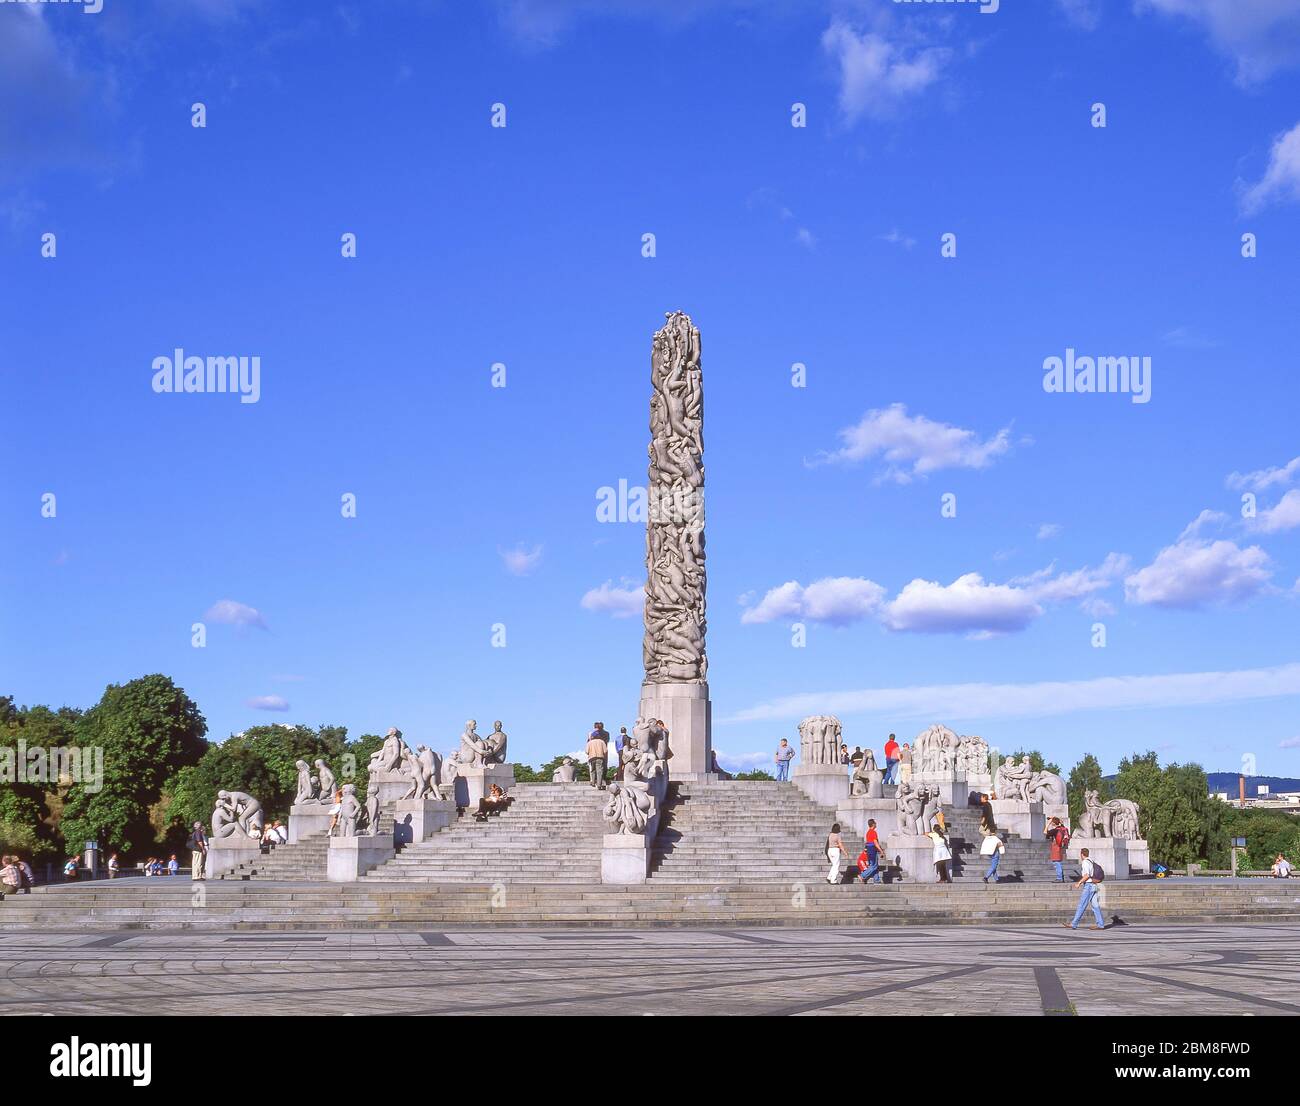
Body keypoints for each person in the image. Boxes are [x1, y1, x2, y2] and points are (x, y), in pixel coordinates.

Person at [1064, 847, 1106, 930]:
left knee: (1082, 905)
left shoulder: (1085, 862)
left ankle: (1074, 923)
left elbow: (1087, 875)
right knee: (1095, 905)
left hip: (1089, 886)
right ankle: (1100, 924)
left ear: (1081, 854)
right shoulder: (1091, 861)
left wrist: (1079, 883)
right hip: (1094, 885)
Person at [1045, 817, 1070, 882]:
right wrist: (1053, 817)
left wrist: (1048, 823)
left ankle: (1059, 878)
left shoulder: (1055, 830)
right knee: (1057, 862)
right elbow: (1061, 821)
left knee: (1056, 862)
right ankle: (1061, 877)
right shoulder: (1062, 828)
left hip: (1056, 847)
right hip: (1061, 847)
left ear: (1053, 823)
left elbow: (1045, 832)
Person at [859, 819, 883, 884]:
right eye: (875, 823)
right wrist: (881, 851)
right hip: (872, 850)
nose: (876, 824)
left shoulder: (868, 832)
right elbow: (875, 843)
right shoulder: (873, 832)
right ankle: (862, 875)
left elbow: (868, 842)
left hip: (869, 850)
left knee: (874, 865)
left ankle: (876, 880)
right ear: (873, 824)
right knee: (874, 866)